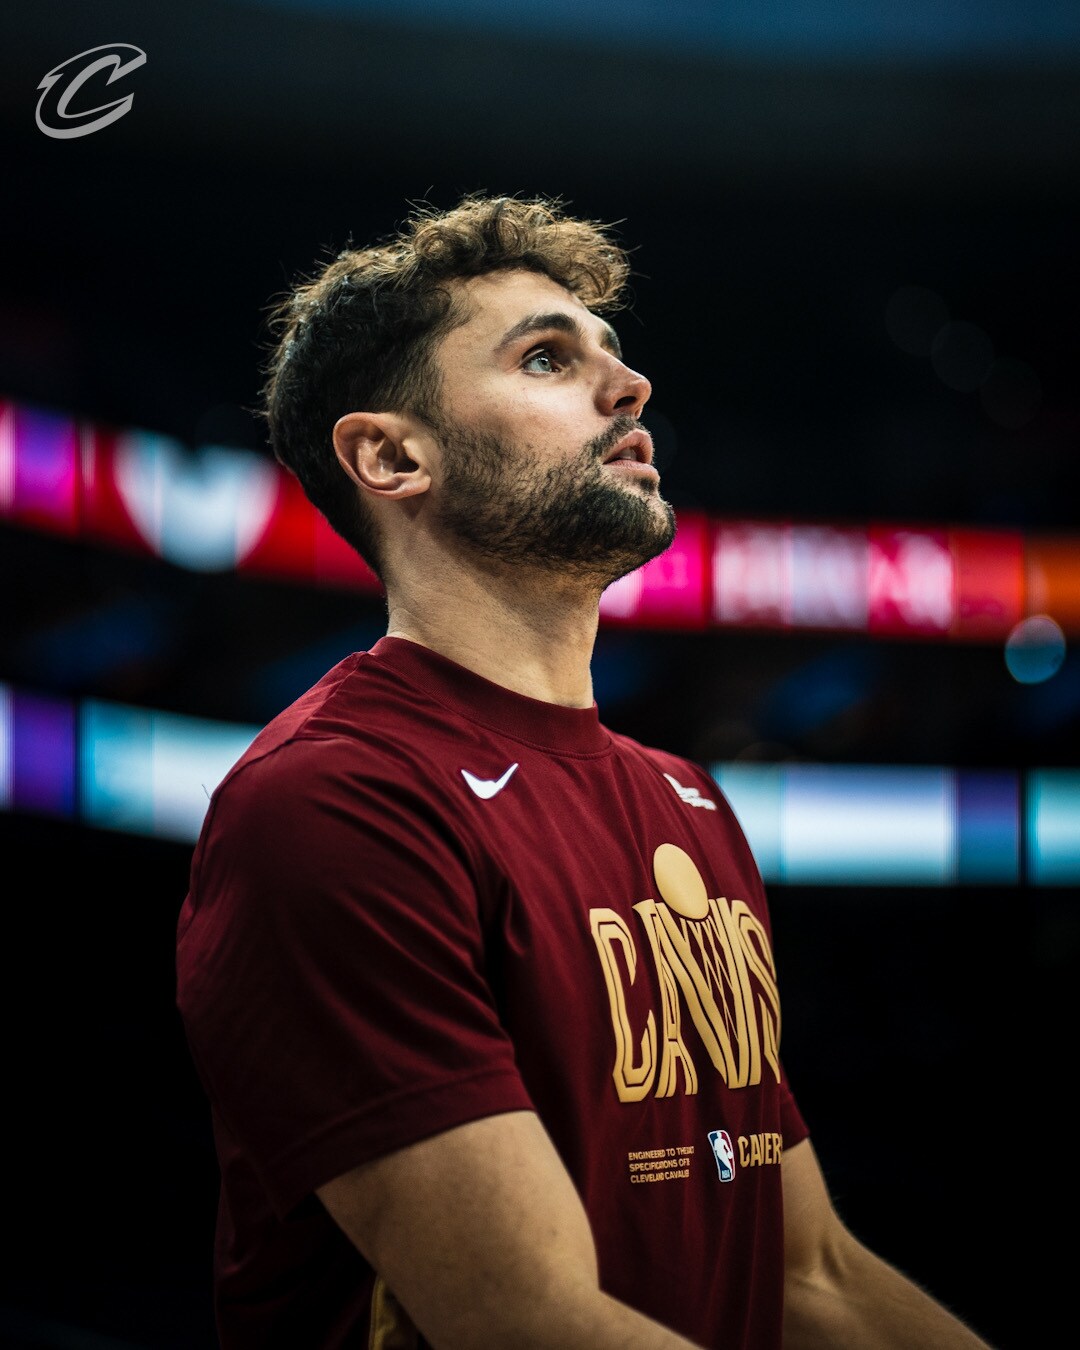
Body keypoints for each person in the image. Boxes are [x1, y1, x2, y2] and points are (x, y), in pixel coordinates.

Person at [175, 192, 994, 1349]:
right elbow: (527, 1321)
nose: (629, 387)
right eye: (549, 358)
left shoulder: (688, 804)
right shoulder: (332, 802)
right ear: (393, 455)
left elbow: (812, 1276)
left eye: (615, 356)